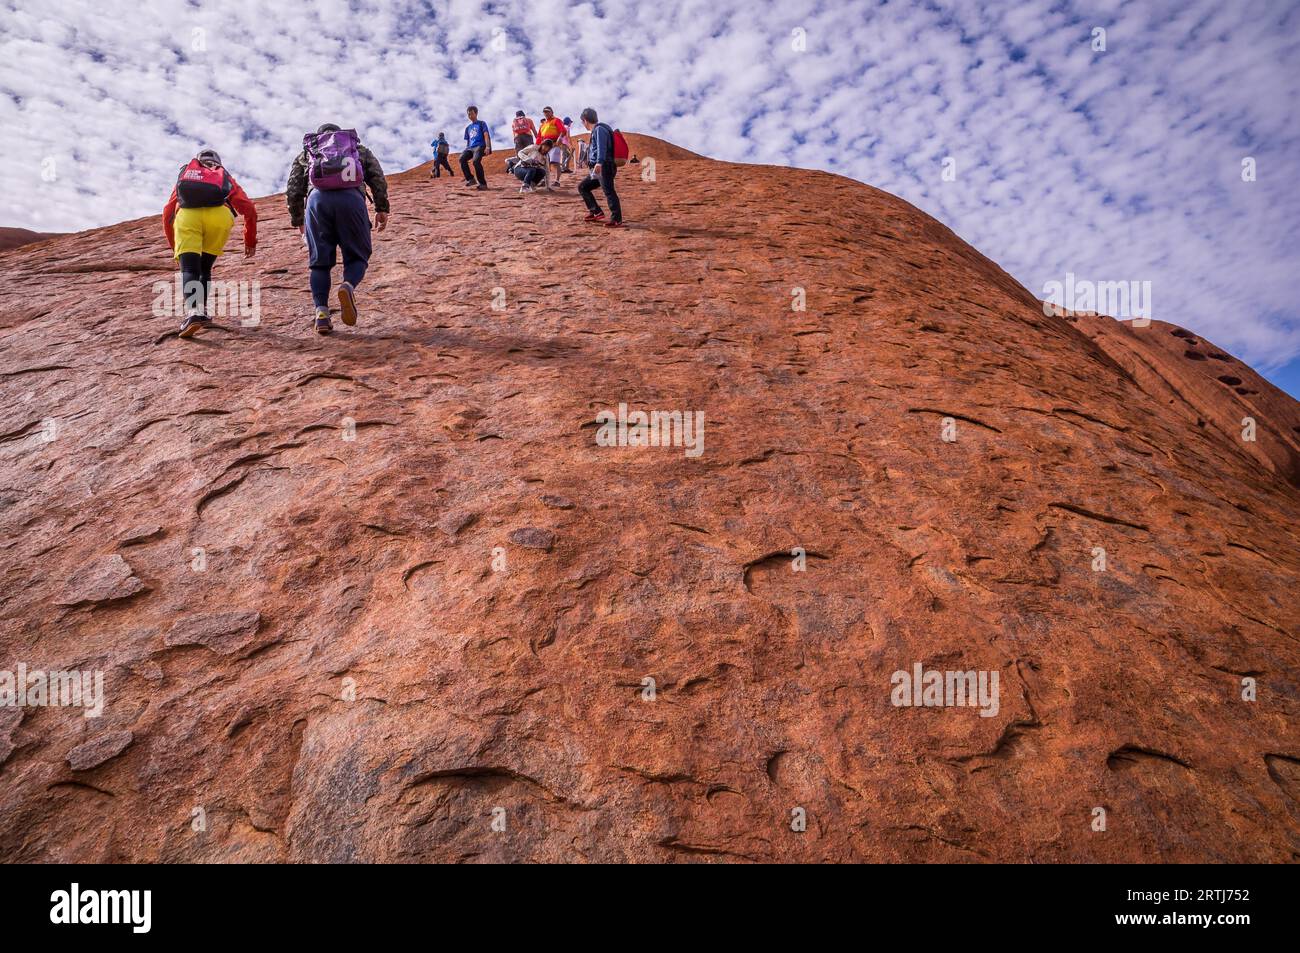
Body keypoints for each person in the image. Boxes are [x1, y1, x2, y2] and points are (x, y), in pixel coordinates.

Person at [285, 124, 390, 335]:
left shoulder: (309, 152)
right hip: (351, 199)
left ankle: (322, 314)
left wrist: (298, 219)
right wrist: (381, 207)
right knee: (358, 256)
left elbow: (294, 187)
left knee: (319, 262)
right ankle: (348, 286)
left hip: (317, 201)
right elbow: (377, 177)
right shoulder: (357, 149)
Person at [162, 148, 257, 338]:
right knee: (204, 269)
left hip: (188, 216)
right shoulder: (223, 176)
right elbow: (248, 208)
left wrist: (175, 247)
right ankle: (202, 312)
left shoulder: (188, 174)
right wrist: (250, 239)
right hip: (220, 217)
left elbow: (167, 212)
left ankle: (193, 312)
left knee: (189, 268)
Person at [577, 108, 623, 228]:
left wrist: (599, 163)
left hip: (604, 166)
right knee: (583, 187)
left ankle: (616, 219)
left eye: (582, 122)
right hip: (598, 168)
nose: (583, 124)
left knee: (609, 191)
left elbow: (602, 147)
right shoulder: (597, 130)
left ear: (585, 120)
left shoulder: (599, 130)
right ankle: (596, 211)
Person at [460, 106, 492, 190]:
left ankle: (483, 184)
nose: (470, 116)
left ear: (476, 113)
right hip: (470, 148)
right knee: (462, 158)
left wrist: (487, 146)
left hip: (480, 145)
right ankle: (471, 179)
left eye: (472, 114)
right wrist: (466, 150)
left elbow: (486, 135)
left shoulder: (482, 123)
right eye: (469, 114)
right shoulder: (467, 128)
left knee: (476, 161)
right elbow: (468, 141)